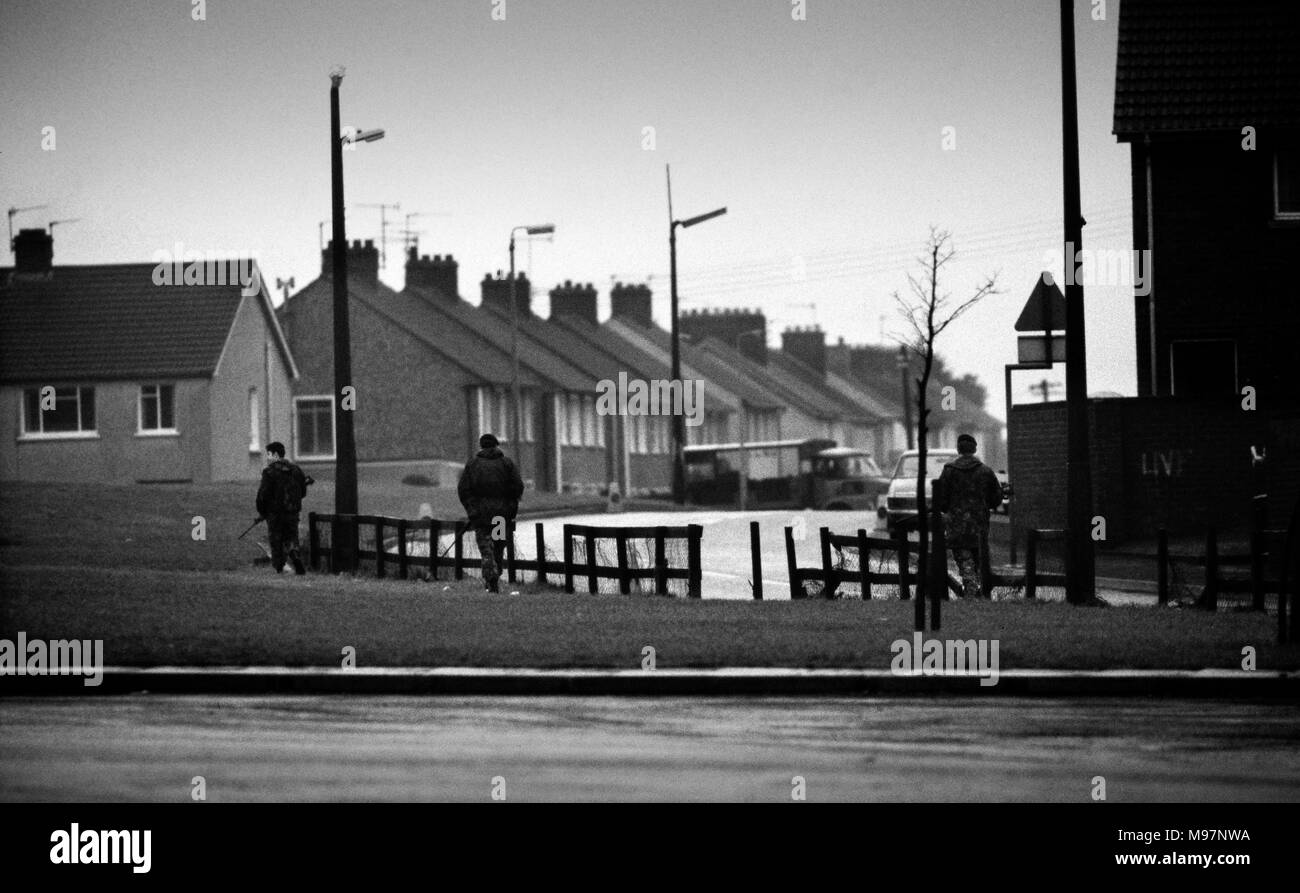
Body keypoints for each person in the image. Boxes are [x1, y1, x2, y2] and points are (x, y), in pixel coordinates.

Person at [934, 433, 1002, 598]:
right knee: (980, 562)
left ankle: (971, 594)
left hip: (956, 528)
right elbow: (996, 499)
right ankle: (981, 594)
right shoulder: (986, 471)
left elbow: (941, 501)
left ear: (958, 449)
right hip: (980, 528)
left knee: (966, 564)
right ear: (975, 449)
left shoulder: (949, 471)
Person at [458, 433, 524, 593]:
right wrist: (510, 509)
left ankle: (490, 578)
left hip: (481, 517)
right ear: (496, 445)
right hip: (500, 517)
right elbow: (518, 487)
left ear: (481, 446)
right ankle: (495, 575)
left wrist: (472, 510)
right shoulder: (506, 464)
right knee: (498, 548)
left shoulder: (473, 465)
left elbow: (464, 490)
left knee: (486, 549)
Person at [255, 441, 314, 575]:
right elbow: (302, 492)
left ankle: (279, 567)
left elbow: (262, 495)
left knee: (276, 540)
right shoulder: (296, 470)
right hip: (292, 512)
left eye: (269, 454)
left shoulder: (269, 472)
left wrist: (262, 511)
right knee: (291, 536)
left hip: (274, 514)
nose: (268, 458)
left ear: (275, 454)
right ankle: (294, 553)